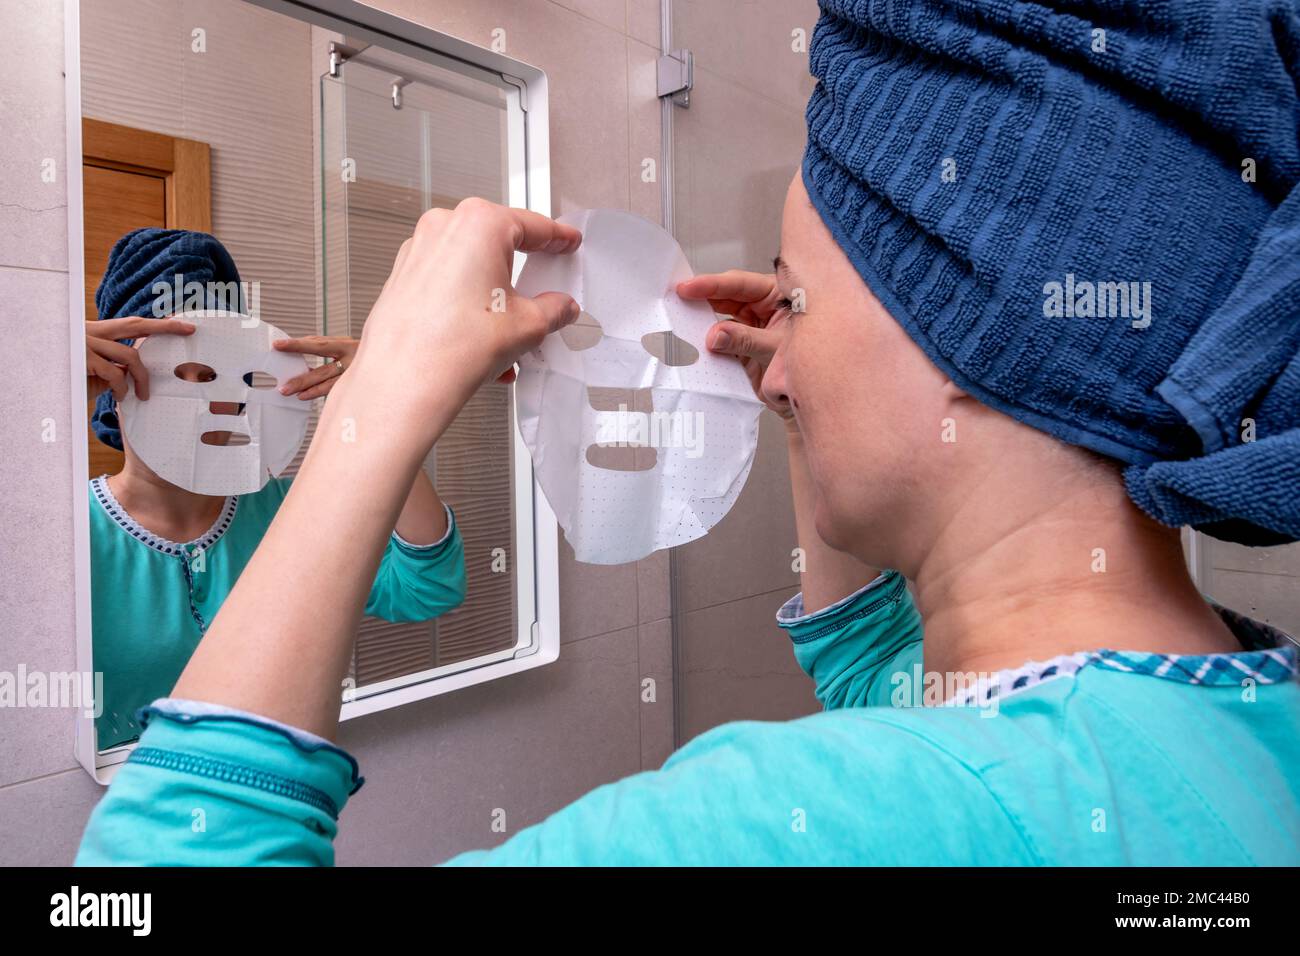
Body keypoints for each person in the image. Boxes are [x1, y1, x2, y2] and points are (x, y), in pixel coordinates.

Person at [77, 0, 1299, 865]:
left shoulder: (777, 823)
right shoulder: (1235, 711)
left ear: (975, 339)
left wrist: (380, 401)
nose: (772, 372)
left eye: (797, 294)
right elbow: (879, 684)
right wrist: (809, 404)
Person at [85, 228, 466, 749]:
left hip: (270, 796)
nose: (219, 403)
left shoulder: (292, 509)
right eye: (185, 378)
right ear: (115, 378)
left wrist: (381, 402)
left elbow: (425, 589)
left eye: (241, 380)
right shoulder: (63, 534)